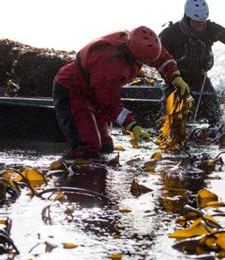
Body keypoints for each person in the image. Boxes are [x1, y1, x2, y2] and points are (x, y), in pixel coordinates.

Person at [53, 26, 190, 160]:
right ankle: (66, 175)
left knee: (106, 146)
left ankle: (99, 178)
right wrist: (133, 126)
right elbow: (110, 104)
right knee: (89, 147)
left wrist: (175, 76)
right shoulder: (112, 65)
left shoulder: (136, 44)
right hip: (72, 90)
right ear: (137, 57)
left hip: (95, 92)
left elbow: (160, 56)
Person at [159, 0, 225, 125]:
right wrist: (171, 77)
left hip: (201, 79)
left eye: (203, 21)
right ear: (187, 17)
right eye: (197, 21)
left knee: (215, 118)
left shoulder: (210, 28)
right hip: (175, 80)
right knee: (170, 119)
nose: (201, 24)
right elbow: (157, 56)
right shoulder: (170, 34)